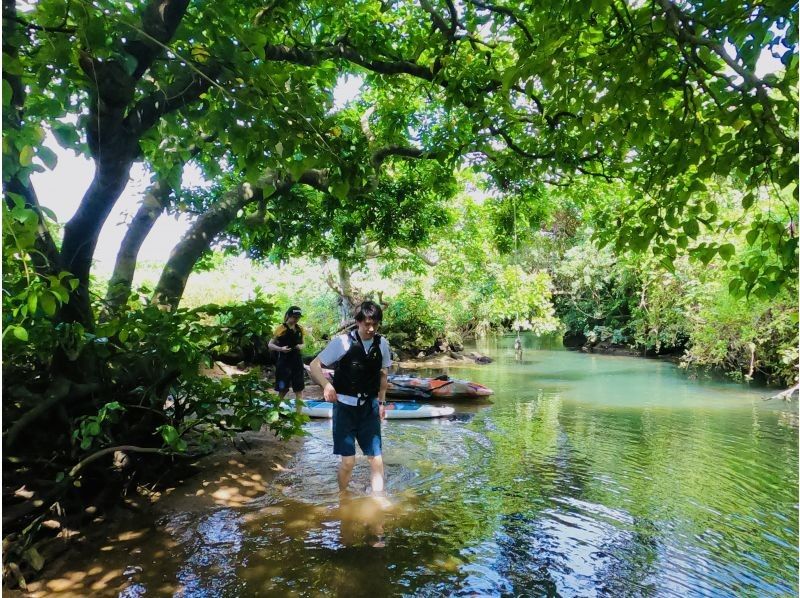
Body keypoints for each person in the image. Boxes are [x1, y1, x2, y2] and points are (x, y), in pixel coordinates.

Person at [309, 301, 391, 496]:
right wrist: (327, 385)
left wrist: (381, 402)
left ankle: (378, 501)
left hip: (369, 408)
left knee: (376, 458)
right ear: (358, 322)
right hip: (344, 408)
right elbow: (314, 365)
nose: (371, 329)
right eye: (367, 324)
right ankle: (343, 496)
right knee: (348, 462)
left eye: (375, 324)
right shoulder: (342, 342)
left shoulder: (383, 344)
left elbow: (383, 374)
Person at [268, 306, 306, 412]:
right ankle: (273, 412)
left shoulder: (300, 329)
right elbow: (270, 345)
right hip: (284, 362)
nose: (296, 319)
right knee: (282, 389)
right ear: (288, 316)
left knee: (299, 390)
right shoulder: (281, 328)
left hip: (297, 361)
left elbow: (303, 344)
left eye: (298, 317)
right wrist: (280, 348)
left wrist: (300, 346)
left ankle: (298, 416)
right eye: (294, 317)